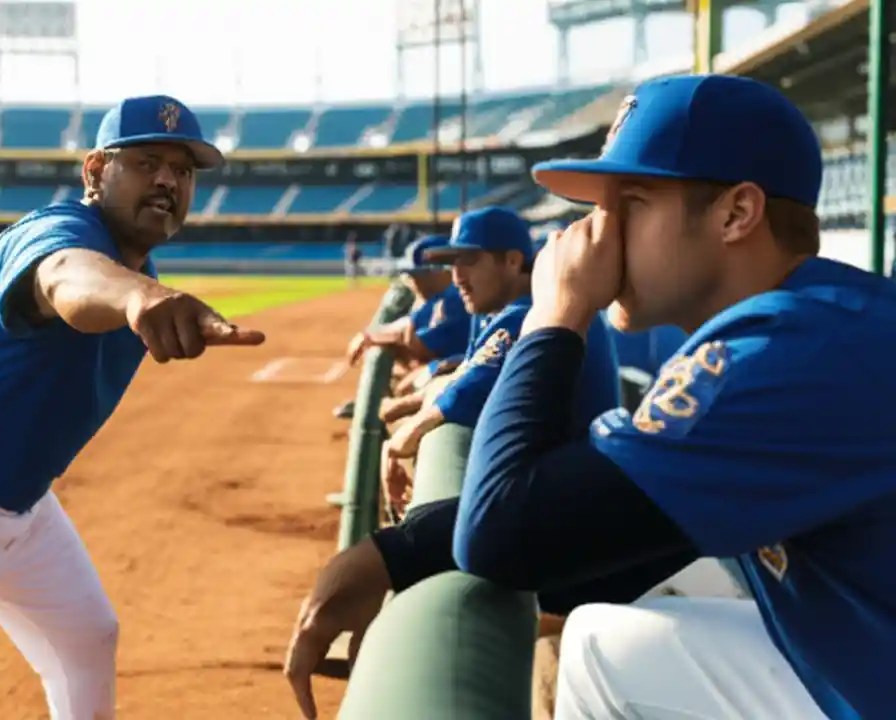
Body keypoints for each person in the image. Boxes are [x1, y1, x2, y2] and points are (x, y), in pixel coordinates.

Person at [283, 74, 895, 720]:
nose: (593, 234)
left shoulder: (791, 349)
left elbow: (503, 535)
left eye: (628, 203)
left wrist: (556, 313)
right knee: (616, 631)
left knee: (603, 652)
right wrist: (397, 551)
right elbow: (612, 545)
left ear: (736, 214)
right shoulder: (821, 322)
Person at [0, 95, 263, 720]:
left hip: (19, 502)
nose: (169, 180)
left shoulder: (132, 265)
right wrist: (138, 297)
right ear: (94, 172)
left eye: (184, 170)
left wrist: (137, 288)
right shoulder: (58, 235)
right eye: (147, 162)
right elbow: (65, 278)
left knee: (87, 640)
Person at [376, 207, 621, 515]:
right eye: (453, 263)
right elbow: (467, 372)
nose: (457, 277)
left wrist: (406, 434)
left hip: (579, 507)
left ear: (513, 261)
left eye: (469, 260)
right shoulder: (500, 306)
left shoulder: (535, 309)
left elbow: (473, 386)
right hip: (561, 488)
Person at [334, 234, 474, 419]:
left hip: (464, 373)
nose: (413, 282)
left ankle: (372, 411)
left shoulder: (452, 299)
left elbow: (416, 342)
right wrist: (372, 336)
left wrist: (373, 337)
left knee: (405, 382)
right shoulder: (438, 298)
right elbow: (408, 326)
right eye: (409, 275)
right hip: (456, 366)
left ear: (440, 272)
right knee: (403, 371)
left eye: (417, 275)